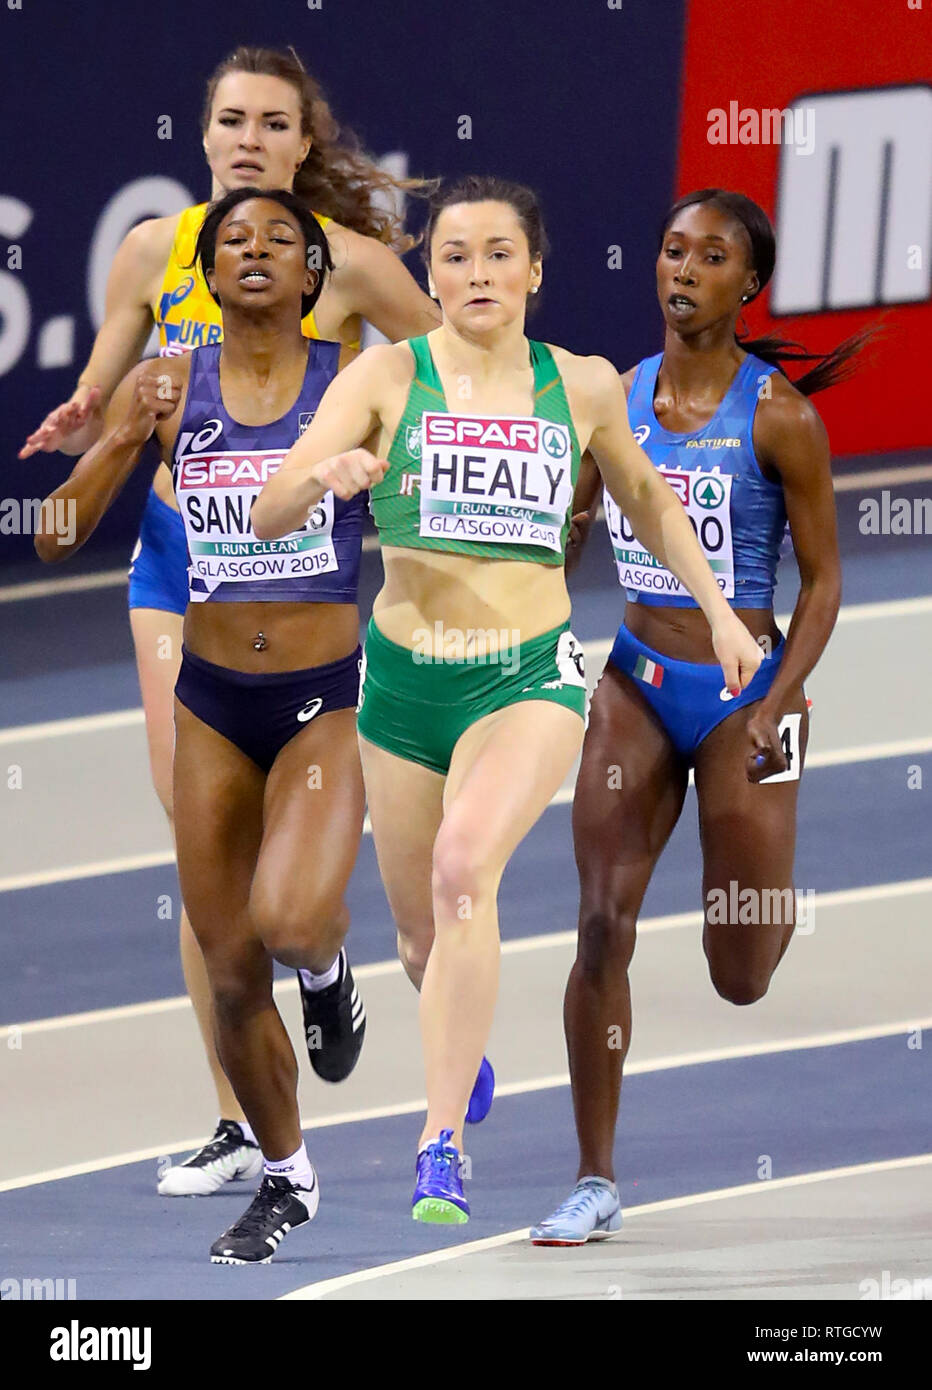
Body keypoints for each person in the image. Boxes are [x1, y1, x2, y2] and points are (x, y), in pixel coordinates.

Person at [250, 174, 764, 1223]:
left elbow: (649, 504)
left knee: (461, 867)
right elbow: (265, 512)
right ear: (428, 273)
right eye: (451, 255)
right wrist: (327, 473)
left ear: (534, 269)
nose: (474, 273)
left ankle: (438, 1145)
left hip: (524, 676)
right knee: (418, 942)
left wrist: (718, 614)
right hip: (401, 689)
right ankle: (457, 1039)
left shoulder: (576, 386)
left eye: (496, 254)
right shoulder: (386, 376)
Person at [22, 45, 440, 1195]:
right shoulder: (157, 250)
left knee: (277, 888)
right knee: (195, 836)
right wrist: (92, 414)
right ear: (201, 136)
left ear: (306, 143)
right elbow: (116, 380)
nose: (248, 139)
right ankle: (239, 1118)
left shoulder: (349, 265)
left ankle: (318, 958)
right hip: (177, 563)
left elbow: (450, 369)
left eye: (271, 123)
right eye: (229, 121)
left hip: (298, 581)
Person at [36, 188, 380, 1264]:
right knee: (229, 968)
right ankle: (286, 1177)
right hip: (213, 708)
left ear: (316, 276)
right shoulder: (169, 386)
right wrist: (116, 440)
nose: (257, 249)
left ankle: (325, 974)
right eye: (235, 238)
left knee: (286, 921)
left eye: (282, 236)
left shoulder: (358, 386)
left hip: (321, 699)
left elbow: (442, 511)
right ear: (208, 275)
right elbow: (53, 539)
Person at [530, 188, 868, 1246]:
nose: (680, 269)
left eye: (708, 257)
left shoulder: (780, 418)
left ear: (745, 284)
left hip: (747, 704)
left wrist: (774, 703)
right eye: (670, 249)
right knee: (597, 925)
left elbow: (820, 586)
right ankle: (592, 1175)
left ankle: (762, 868)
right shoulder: (612, 400)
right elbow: (568, 532)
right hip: (633, 684)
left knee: (740, 974)